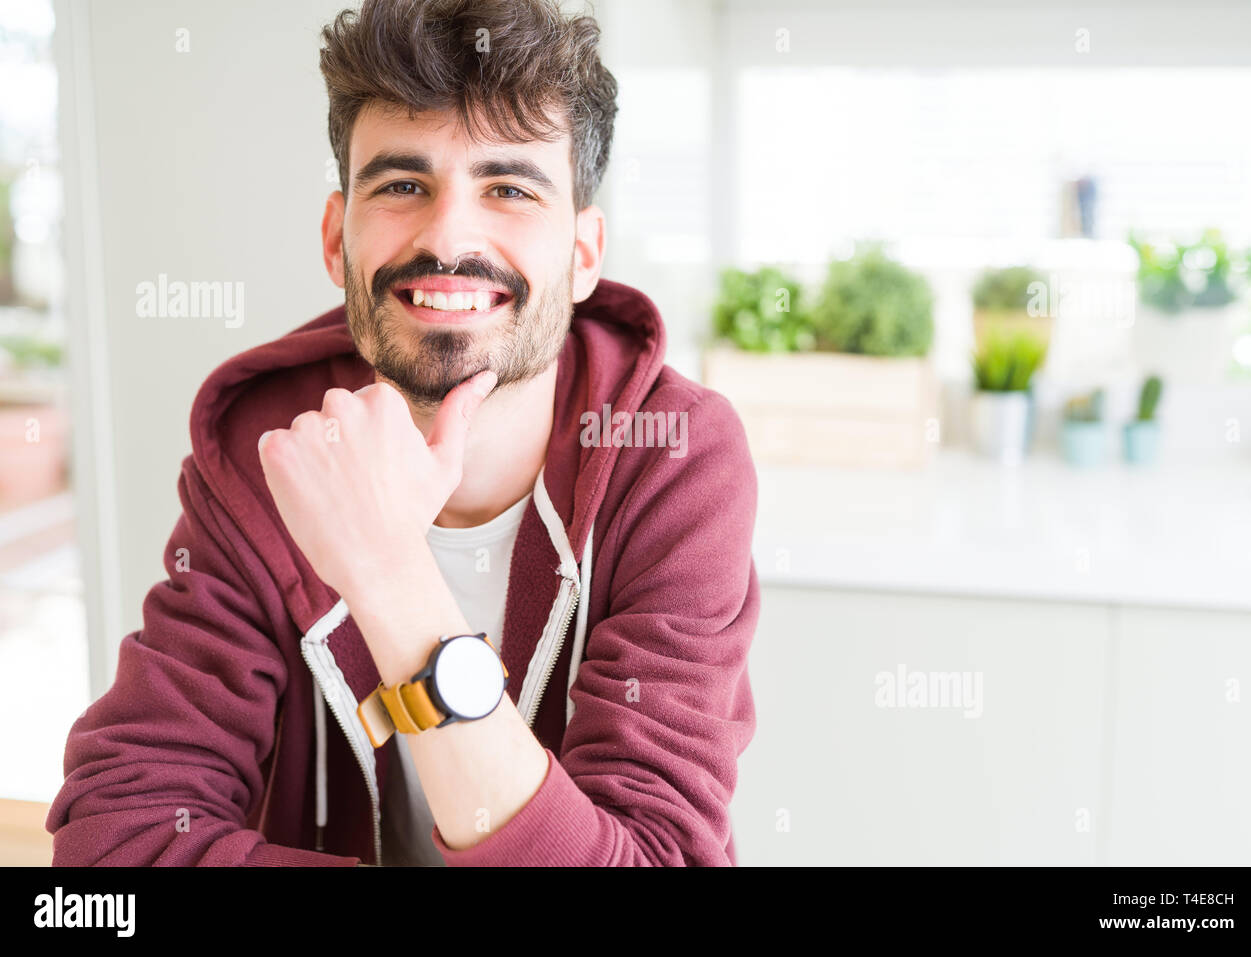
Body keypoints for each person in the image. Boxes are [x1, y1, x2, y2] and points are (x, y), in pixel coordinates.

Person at [46, 0, 759, 867]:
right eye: (401, 185)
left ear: (583, 255)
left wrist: (387, 570)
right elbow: (109, 846)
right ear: (336, 239)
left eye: (508, 187)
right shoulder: (267, 452)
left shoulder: (673, 457)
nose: (449, 236)